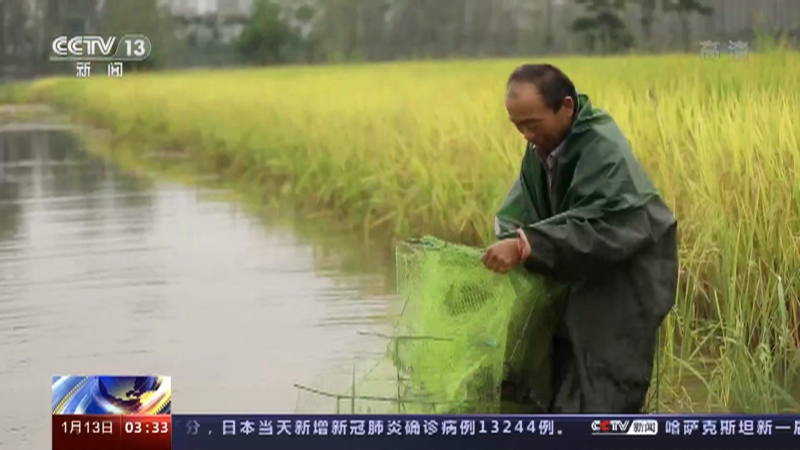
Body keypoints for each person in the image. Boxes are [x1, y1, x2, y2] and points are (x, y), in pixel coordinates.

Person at [481, 64, 679, 413]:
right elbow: (520, 209)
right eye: (517, 125)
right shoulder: (541, 149)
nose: (525, 135)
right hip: (577, 278)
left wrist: (527, 245)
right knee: (559, 384)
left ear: (567, 107)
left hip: (622, 284)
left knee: (605, 388)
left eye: (532, 123)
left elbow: (605, 225)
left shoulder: (601, 147)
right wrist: (511, 237)